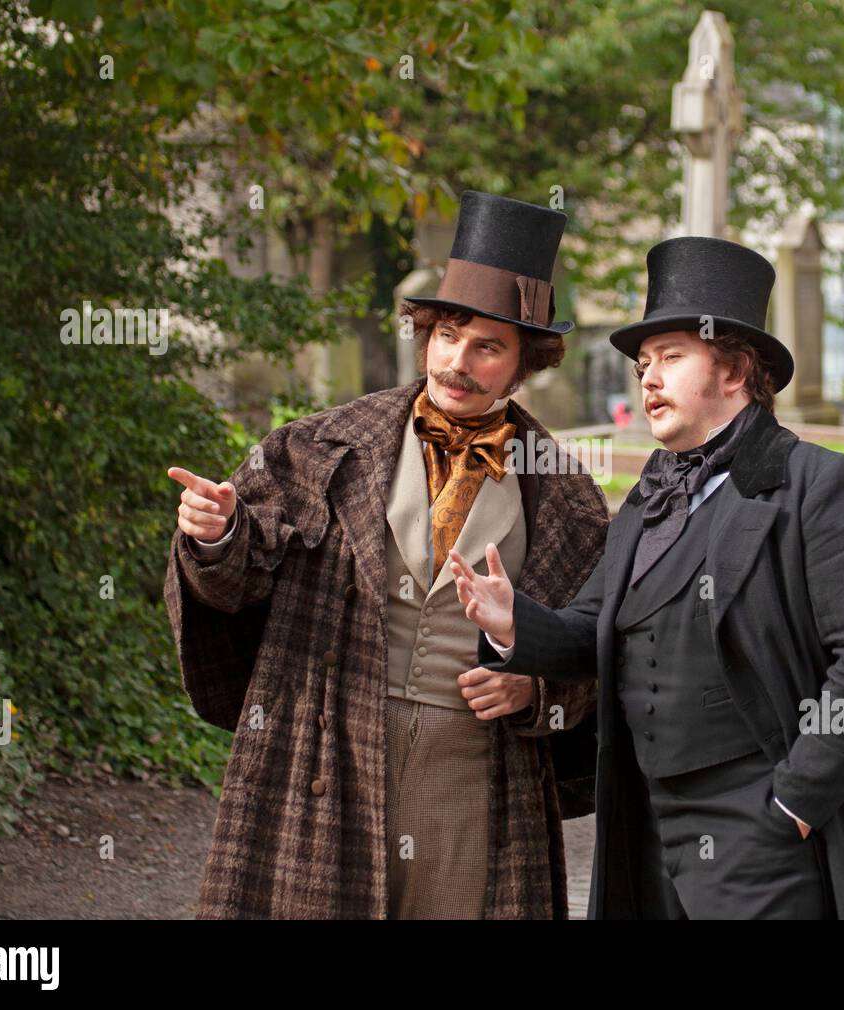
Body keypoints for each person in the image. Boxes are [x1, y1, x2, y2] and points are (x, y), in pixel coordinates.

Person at [164, 191, 607, 918]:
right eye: (447, 335)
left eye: (487, 347)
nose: (457, 361)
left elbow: (593, 644)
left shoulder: (566, 497)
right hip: (325, 754)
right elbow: (237, 580)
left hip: (477, 777)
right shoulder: (319, 447)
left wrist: (536, 692)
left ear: (525, 363)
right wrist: (214, 535)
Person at [453, 235, 844, 919]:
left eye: (670, 358)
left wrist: (795, 801)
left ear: (733, 371)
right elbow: (592, 629)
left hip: (762, 830)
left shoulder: (817, 483)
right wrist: (513, 623)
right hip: (645, 821)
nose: (647, 378)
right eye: (644, 363)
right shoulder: (652, 492)